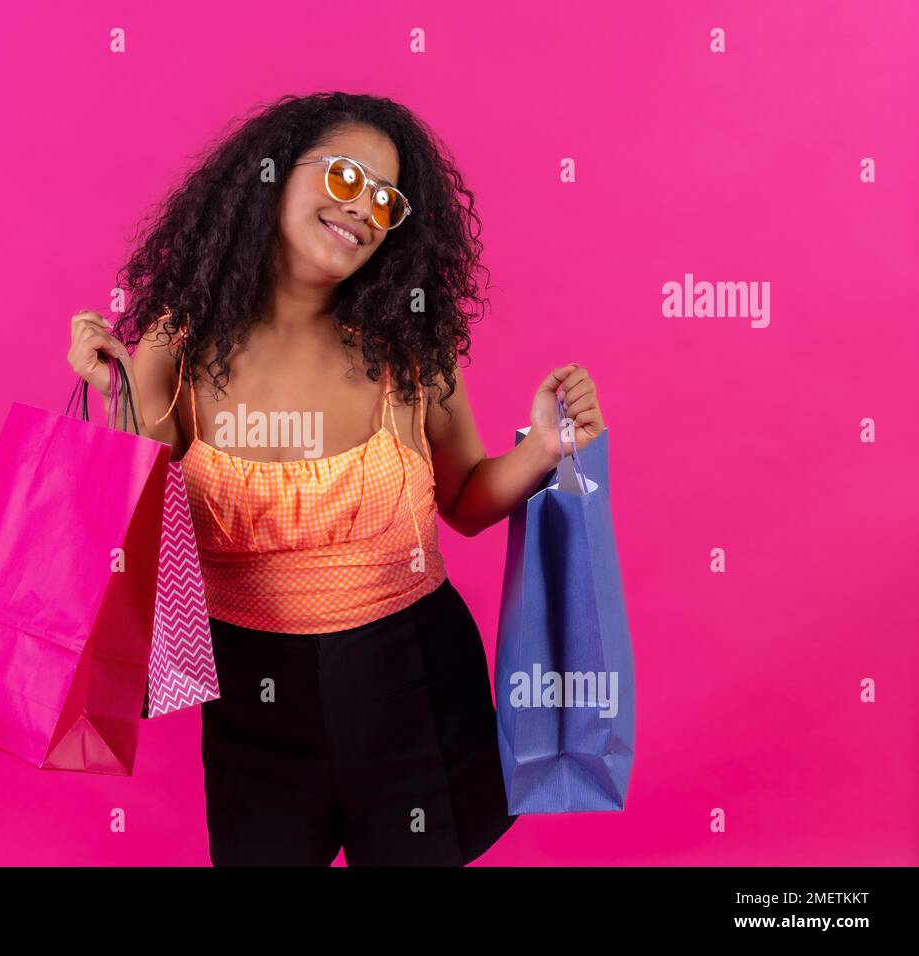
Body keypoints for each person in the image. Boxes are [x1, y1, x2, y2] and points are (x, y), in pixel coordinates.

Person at [66, 92, 606, 866]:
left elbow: (462, 499)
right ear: (274, 175)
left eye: (387, 200)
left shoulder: (407, 351)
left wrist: (544, 449)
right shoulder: (175, 345)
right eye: (347, 179)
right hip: (255, 700)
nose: (366, 211)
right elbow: (132, 518)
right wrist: (107, 392)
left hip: (414, 682)